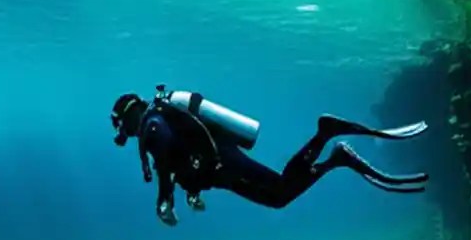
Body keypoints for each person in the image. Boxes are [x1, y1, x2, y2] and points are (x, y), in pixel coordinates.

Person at [110, 85, 430, 226]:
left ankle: (326, 137)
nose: (130, 134)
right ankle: (335, 156)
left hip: (225, 163)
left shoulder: (152, 125)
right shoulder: (160, 117)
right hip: (223, 168)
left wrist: (163, 201)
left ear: (129, 117)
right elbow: (182, 155)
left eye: (126, 128)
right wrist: (191, 192)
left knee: (279, 188)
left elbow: (167, 160)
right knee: (278, 197)